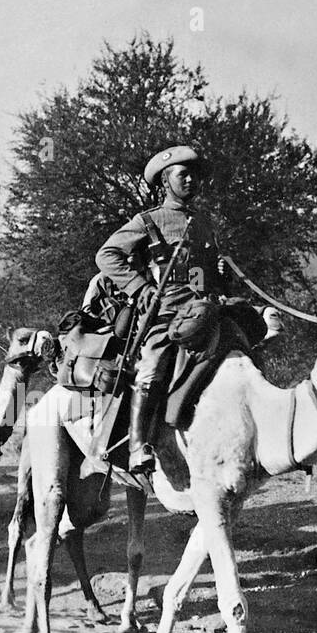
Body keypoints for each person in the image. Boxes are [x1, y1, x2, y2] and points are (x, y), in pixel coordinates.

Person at [95, 145, 229, 472]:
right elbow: (106, 255)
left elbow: (204, 269)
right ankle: (138, 445)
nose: (191, 180)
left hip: (205, 308)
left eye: (194, 175)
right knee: (152, 367)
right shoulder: (148, 221)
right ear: (165, 181)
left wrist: (219, 271)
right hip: (166, 314)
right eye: (183, 174)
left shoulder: (203, 223)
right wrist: (139, 287)